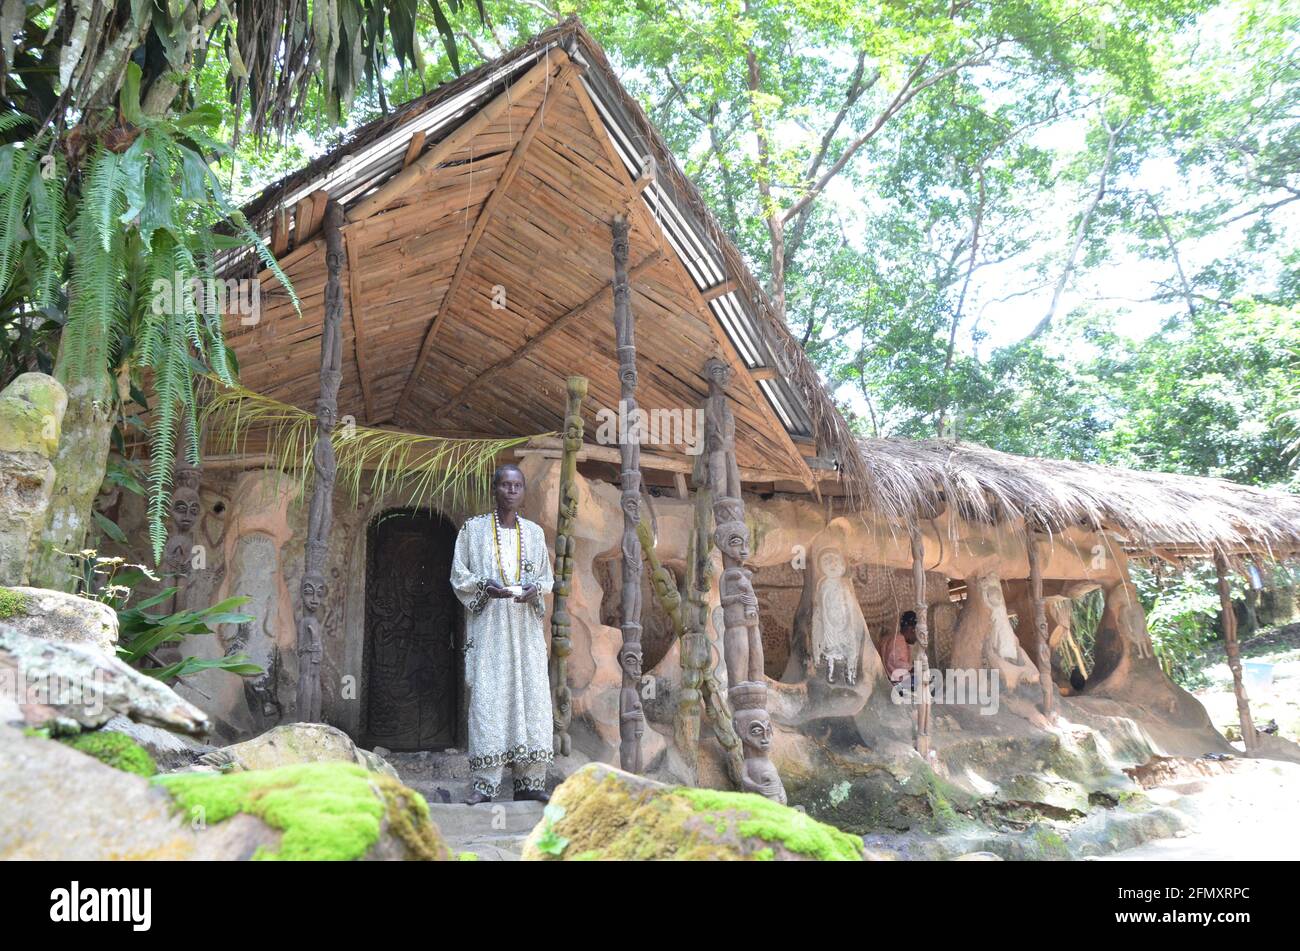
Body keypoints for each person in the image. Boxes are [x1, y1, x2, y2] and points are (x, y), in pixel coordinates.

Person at [450, 464, 555, 804]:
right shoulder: (473, 530)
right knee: (489, 700)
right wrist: (484, 585)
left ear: (524, 492)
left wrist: (534, 590)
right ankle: (485, 785)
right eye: (505, 485)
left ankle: (529, 782)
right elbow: (458, 574)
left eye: (518, 485)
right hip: (491, 630)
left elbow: (547, 578)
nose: (512, 491)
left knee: (531, 697)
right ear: (494, 489)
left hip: (525, 631)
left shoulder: (535, 534)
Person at [881, 611, 917, 685]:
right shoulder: (899, 640)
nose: (917, 638)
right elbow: (894, 662)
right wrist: (912, 669)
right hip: (894, 684)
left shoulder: (895, 638)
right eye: (918, 632)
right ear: (911, 629)